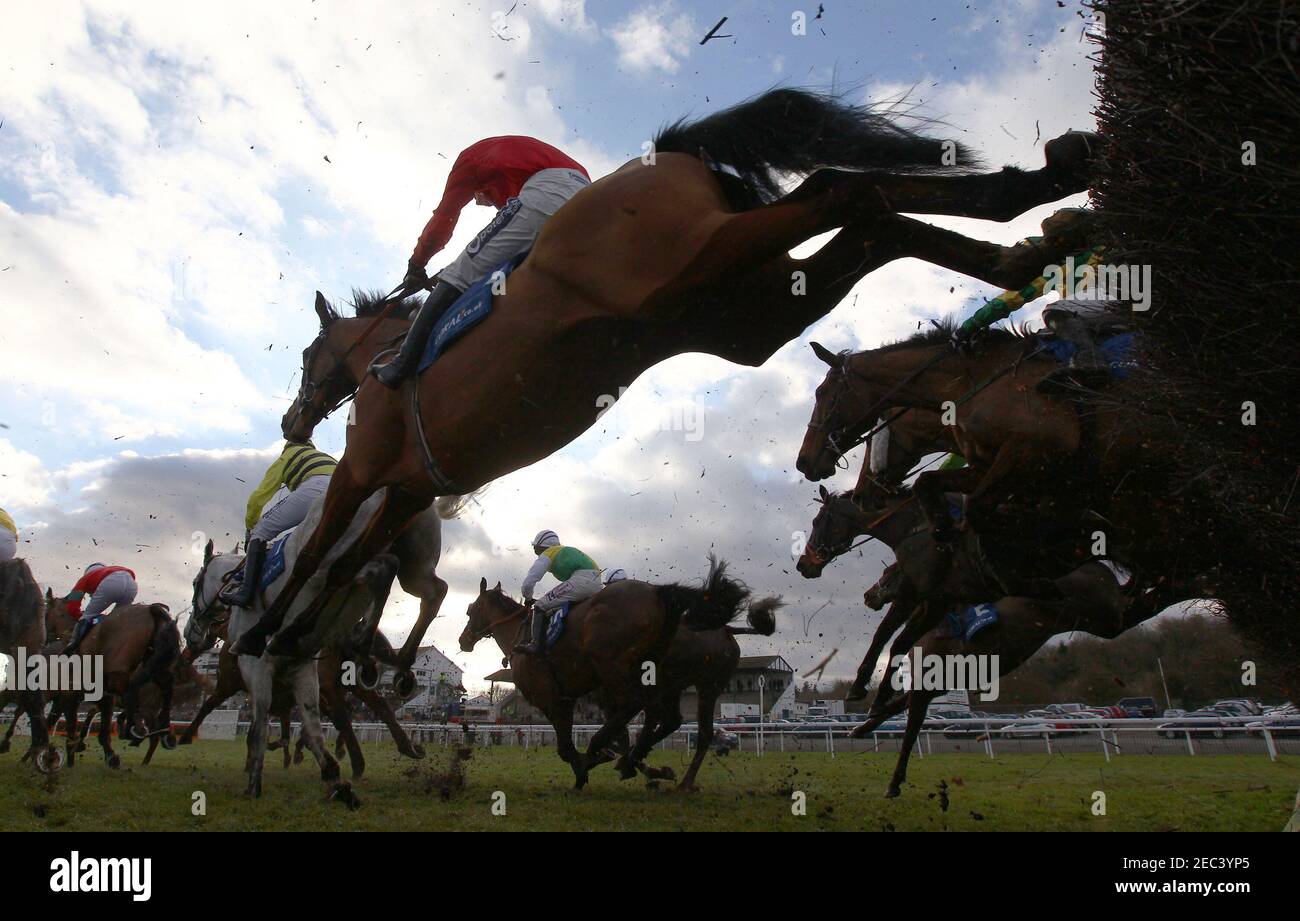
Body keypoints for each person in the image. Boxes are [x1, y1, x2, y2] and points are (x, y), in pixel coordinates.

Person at [369, 136, 591, 389]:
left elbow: (444, 218)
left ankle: (401, 365)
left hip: (550, 191)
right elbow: (507, 236)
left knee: (459, 273)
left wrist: (417, 265)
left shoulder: (468, 162)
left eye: (477, 197)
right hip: (586, 196)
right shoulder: (514, 164)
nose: (478, 202)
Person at [221, 439, 337, 610]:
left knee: (262, 529)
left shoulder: (286, 457)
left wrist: (250, 528)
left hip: (315, 487)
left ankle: (246, 593)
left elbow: (257, 499)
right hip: (342, 489)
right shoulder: (325, 457)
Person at [515, 529, 602, 656]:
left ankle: (535, 644)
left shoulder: (548, 553)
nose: (535, 552)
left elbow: (528, 583)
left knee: (540, 604)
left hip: (582, 580)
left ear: (541, 546)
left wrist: (528, 598)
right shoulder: (564, 550)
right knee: (554, 606)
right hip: (596, 581)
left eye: (535, 548)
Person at [62, 563, 138, 655]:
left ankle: (71, 648)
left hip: (111, 583)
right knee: (117, 619)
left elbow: (72, 607)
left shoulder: (85, 579)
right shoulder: (108, 571)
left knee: (87, 616)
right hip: (132, 585)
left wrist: (81, 617)